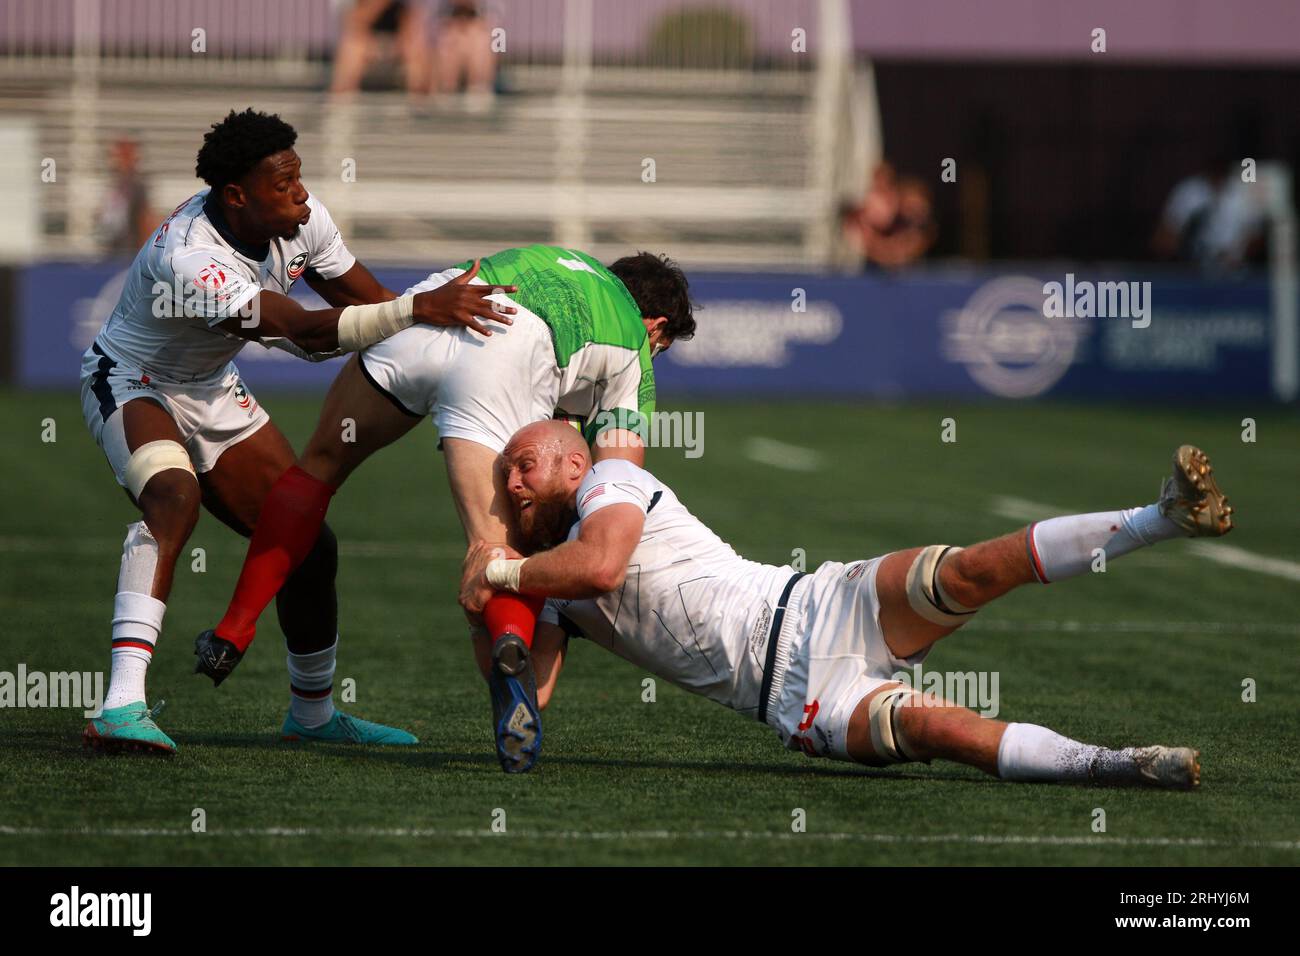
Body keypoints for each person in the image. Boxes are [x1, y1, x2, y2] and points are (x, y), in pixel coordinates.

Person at [461, 421, 1234, 787]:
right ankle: (1122, 765)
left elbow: (601, 567)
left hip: (817, 603)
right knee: (939, 730)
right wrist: (500, 651)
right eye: (506, 476)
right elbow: (534, 698)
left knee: (964, 573)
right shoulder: (543, 579)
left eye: (524, 466)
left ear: (574, 460)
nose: (513, 485)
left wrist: (501, 576)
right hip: (798, 700)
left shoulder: (611, 484)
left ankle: (1158, 517)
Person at [80, 108, 505, 754]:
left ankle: (311, 714)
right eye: (283, 184)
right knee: (173, 497)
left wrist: (457, 322)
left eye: (299, 177)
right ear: (236, 196)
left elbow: (367, 303)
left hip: (210, 386)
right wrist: (418, 308)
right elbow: (303, 332)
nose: (301, 193)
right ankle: (120, 705)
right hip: (133, 380)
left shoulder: (302, 221)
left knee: (308, 540)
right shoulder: (189, 257)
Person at [192, 245, 696, 767]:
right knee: (497, 551)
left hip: (435, 307)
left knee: (315, 469)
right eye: (661, 345)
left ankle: (233, 629)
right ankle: (513, 667)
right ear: (655, 325)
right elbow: (616, 481)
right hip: (504, 350)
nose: (653, 353)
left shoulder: (561, 258)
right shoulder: (634, 343)